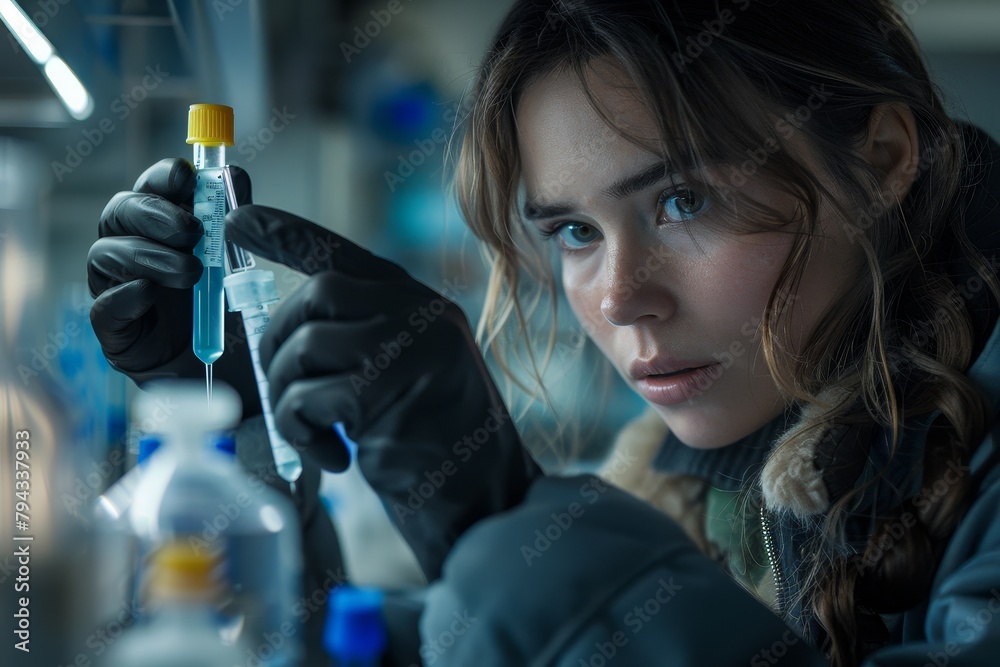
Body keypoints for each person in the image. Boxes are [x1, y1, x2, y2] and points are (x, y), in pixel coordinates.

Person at [87, 0, 1000, 665]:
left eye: (683, 201)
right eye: (574, 232)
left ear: (880, 161)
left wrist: (495, 520)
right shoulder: (686, 500)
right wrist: (240, 435)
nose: (620, 296)